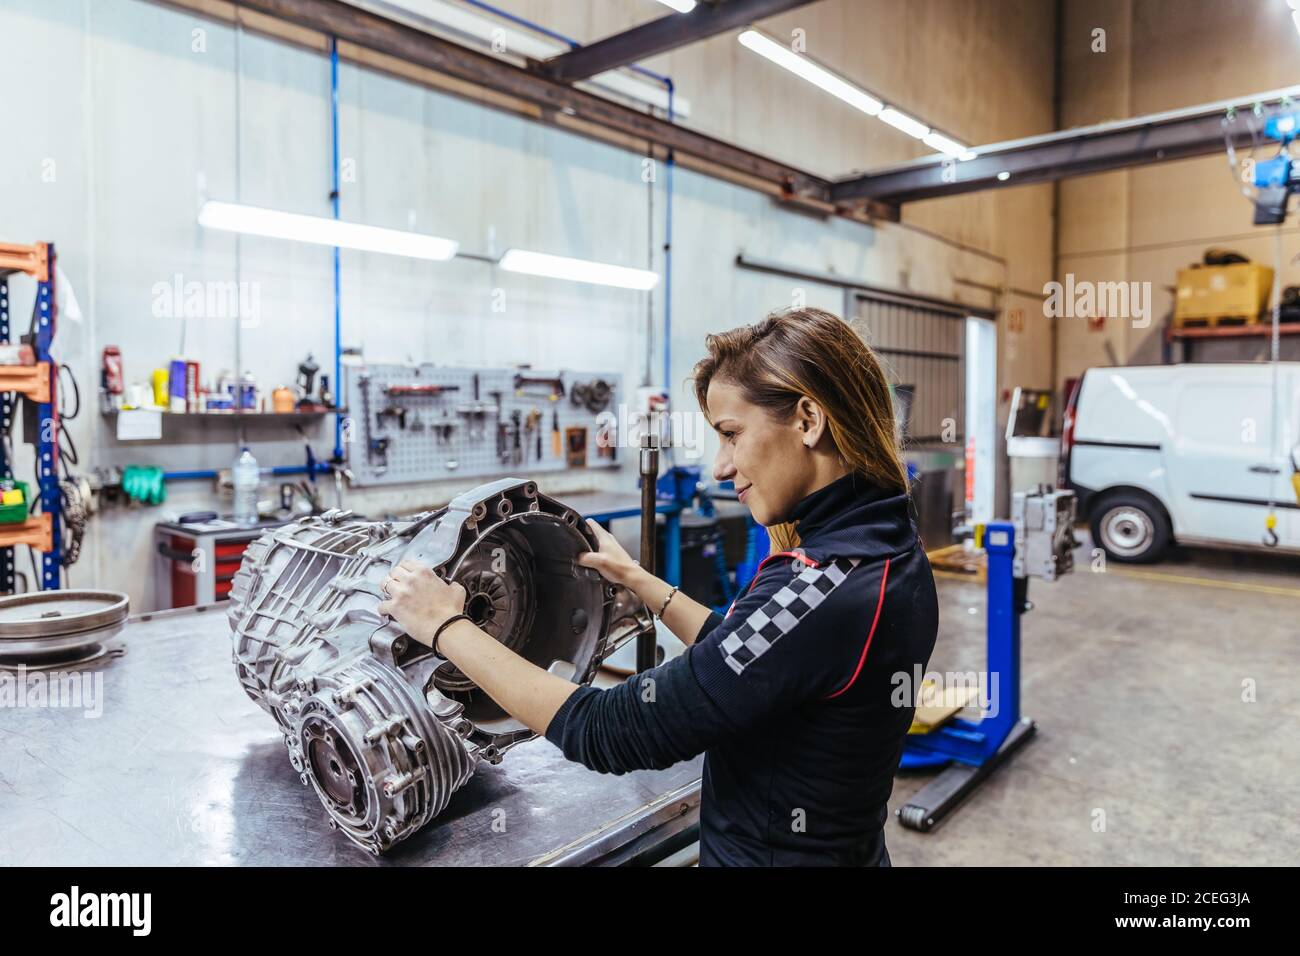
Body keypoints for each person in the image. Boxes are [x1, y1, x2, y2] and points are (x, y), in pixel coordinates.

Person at [379, 307, 939, 866]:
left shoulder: (819, 584)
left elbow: (614, 730)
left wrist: (446, 627)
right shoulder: (888, 548)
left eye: (731, 434)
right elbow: (753, 655)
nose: (721, 467)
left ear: (808, 420)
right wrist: (639, 581)